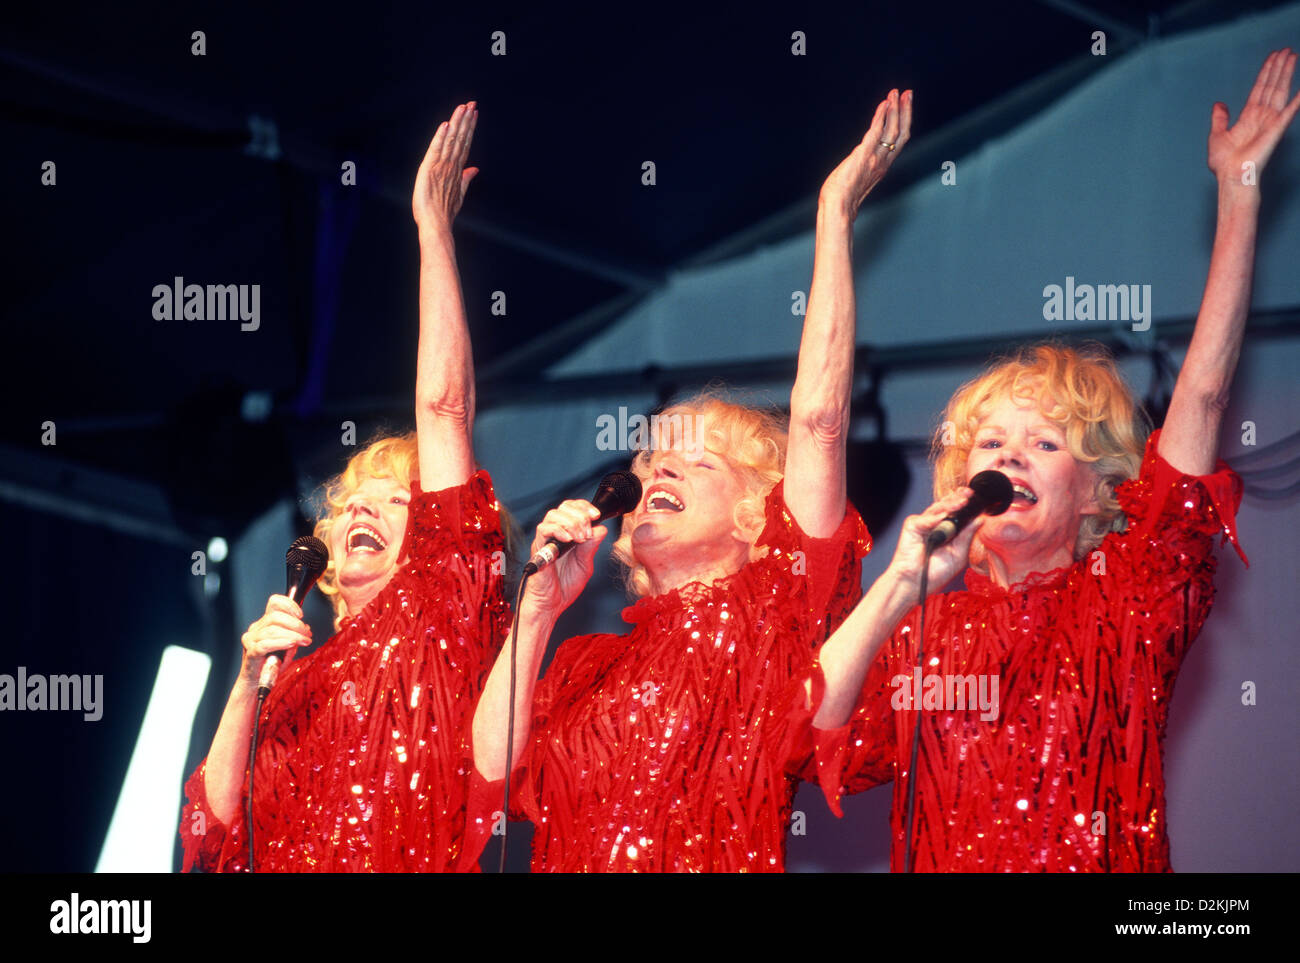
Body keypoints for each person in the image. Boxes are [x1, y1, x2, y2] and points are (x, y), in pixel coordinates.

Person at [807, 49, 1298, 871]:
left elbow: (1204, 403)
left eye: (1043, 443)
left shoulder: (1130, 597)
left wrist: (1241, 193)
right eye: (992, 444)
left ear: (1101, 486)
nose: (1010, 457)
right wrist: (896, 588)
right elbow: (816, 736)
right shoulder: (925, 627)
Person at [466, 90, 914, 872]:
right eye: (650, 461)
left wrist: (833, 214)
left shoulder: (775, 603)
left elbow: (817, 422)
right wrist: (534, 616)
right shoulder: (586, 665)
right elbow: (490, 775)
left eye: (695, 459)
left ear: (754, 513)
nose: (659, 466)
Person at [179, 102, 511, 872]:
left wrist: (431, 228)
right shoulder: (296, 681)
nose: (357, 504)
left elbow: (444, 408)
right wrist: (246, 686)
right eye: (351, 498)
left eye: (396, 496)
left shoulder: (447, 617)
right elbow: (214, 830)